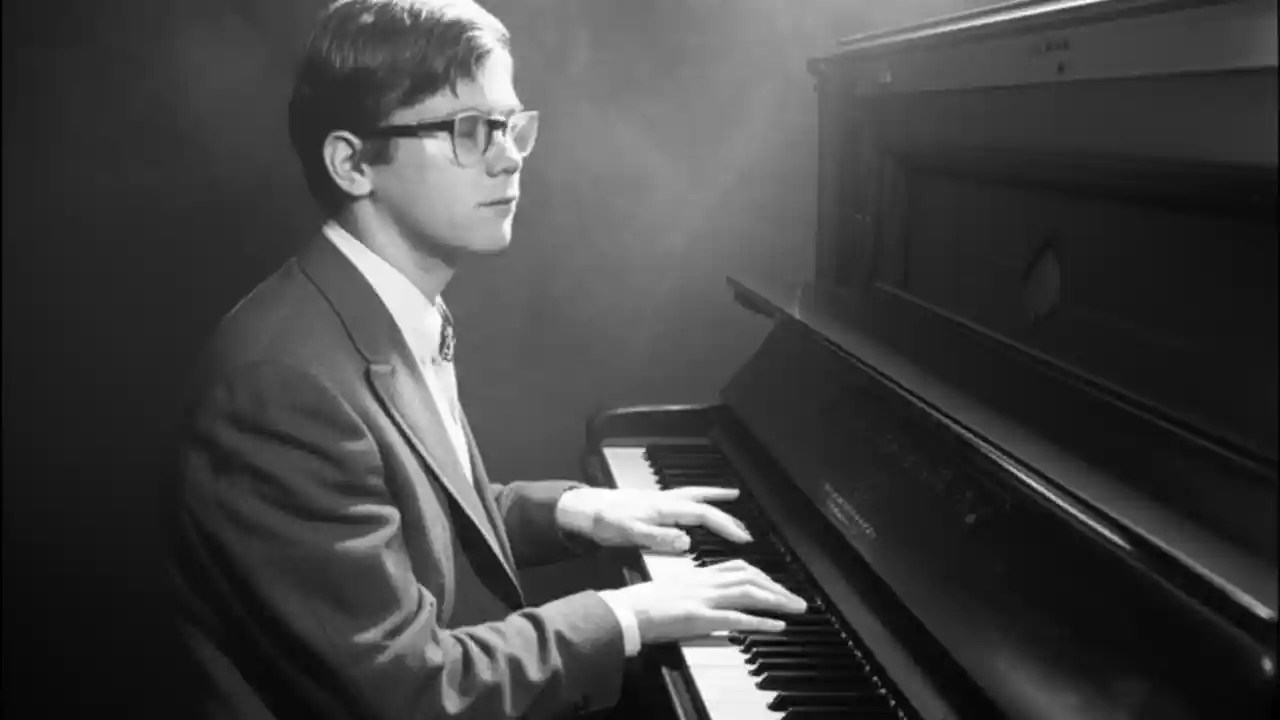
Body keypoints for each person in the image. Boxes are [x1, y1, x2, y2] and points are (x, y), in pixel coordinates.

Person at [168, 1, 807, 718]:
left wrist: (583, 510)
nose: (508, 156)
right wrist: (631, 613)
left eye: (510, 125)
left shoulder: (383, 303)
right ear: (352, 163)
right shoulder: (280, 387)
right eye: (468, 131)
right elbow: (407, 691)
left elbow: (421, 514)